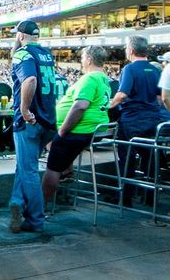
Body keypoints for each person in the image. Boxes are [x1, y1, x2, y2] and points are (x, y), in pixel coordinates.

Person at [42, 46, 112, 206]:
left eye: (82, 58)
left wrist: (62, 131)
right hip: (88, 132)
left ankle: (37, 211)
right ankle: (67, 171)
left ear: (89, 60)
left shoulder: (90, 78)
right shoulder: (103, 79)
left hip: (77, 132)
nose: (81, 61)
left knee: (52, 169)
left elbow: (80, 106)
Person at [6, 20, 57, 233]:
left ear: (20, 36)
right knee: (25, 166)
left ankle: (36, 220)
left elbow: (30, 80)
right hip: (48, 121)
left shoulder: (22, 54)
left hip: (30, 122)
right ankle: (16, 202)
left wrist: (25, 110)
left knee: (28, 171)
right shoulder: (47, 54)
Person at [110, 36, 170, 207]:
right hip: (152, 120)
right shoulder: (155, 70)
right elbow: (160, 98)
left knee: (126, 159)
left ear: (130, 50)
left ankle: (125, 199)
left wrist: (109, 106)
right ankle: (150, 198)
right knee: (149, 158)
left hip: (131, 121)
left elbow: (122, 94)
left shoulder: (129, 69)